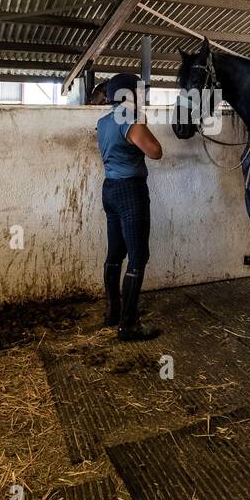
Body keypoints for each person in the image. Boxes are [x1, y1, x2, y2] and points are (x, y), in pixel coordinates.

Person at [96, 73, 162, 341]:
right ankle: (129, 325)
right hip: (130, 191)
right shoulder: (129, 119)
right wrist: (142, 122)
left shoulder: (103, 121)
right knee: (138, 256)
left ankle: (113, 311)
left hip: (110, 188)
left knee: (115, 253)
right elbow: (155, 151)